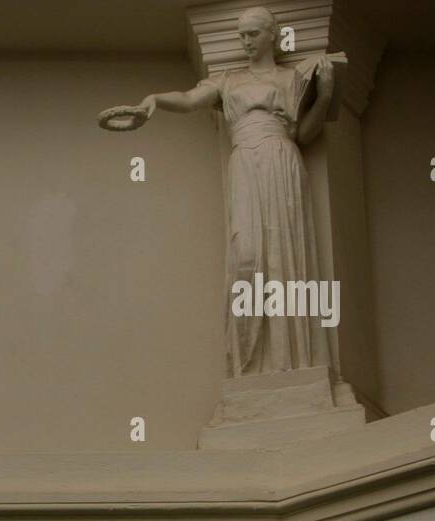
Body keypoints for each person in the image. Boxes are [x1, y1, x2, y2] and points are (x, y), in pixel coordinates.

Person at [117, 6, 338, 378]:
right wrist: (154, 100)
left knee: (287, 255)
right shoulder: (228, 80)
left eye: (252, 33)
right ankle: (249, 360)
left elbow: (303, 134)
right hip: (245, 164)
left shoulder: (291, 78)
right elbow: (189, 99)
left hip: (281, 160)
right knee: (247, 254)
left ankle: (295, 362)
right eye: (241, 35)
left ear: (272, 34)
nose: (246, 41)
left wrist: (325, 96)